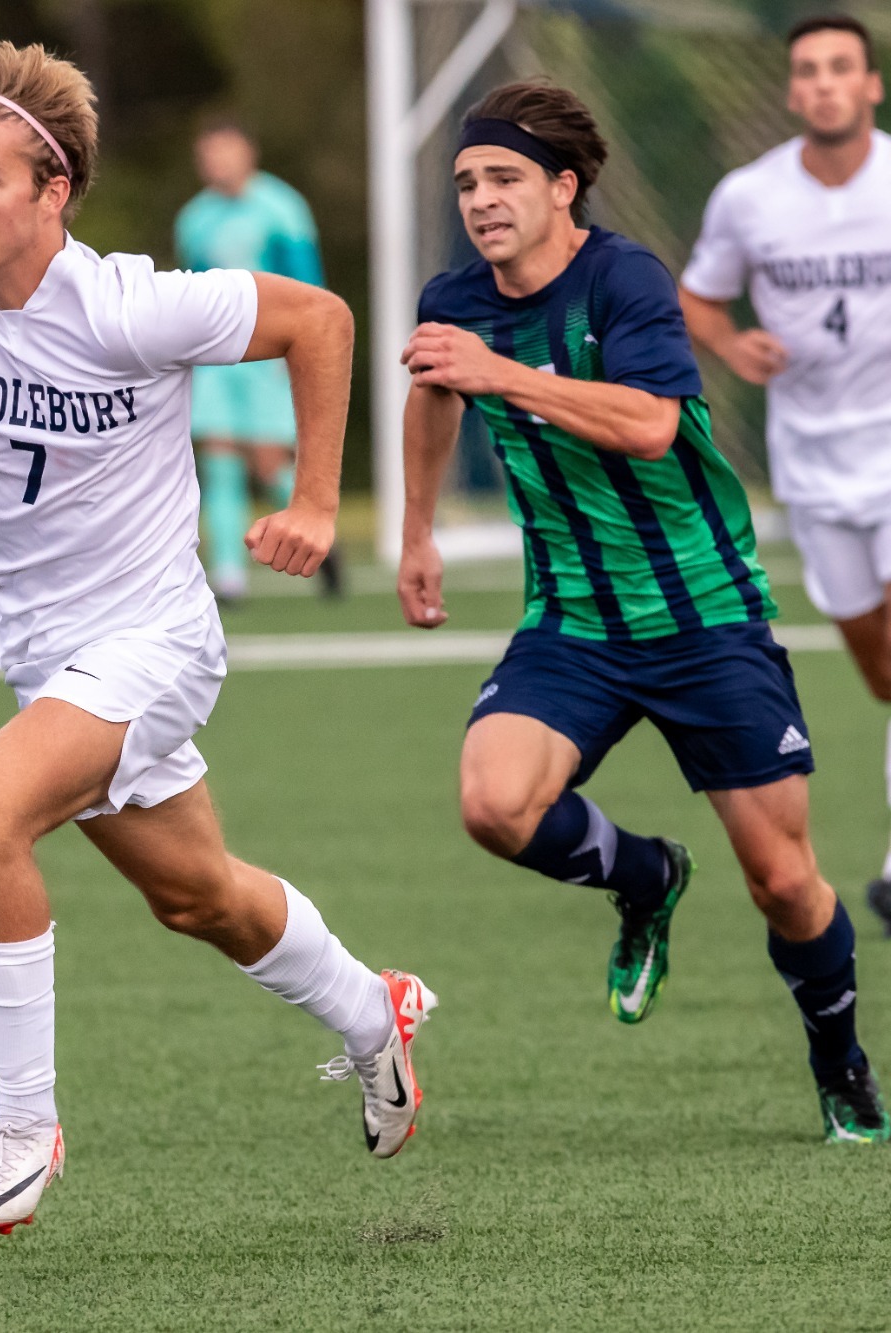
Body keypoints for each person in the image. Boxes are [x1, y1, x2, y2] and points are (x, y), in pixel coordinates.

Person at [0, 41, 437, 1237]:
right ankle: (375, 1013)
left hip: (154, 640)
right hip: (41, 660)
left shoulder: (129, 303)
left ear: (52, 191)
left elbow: (319, 320)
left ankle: (26, 1124)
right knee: (198, 898)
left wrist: (316, 503)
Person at [398, 79, 884, 1142]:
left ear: (562, 187)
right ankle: (646, 875)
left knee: (782, 882)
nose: (479, 200)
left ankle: (837, 1060)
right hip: (572, 620)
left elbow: (651, 425)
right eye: (466, 183)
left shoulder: (623, 279)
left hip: (704, 618)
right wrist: (417, 530)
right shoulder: (452, 300)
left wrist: (503, 373)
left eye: (503, 179)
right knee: (492, 806)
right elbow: (432, 388)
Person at [678, 16, 891, 932]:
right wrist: (731, 340)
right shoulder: (750, 197)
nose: (826, 83)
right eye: (808, 71)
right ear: (793, 91)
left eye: (842, 67)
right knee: (881, 674)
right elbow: (698, 295)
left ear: (871, 85)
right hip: (814, 466)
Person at [175, 117, 342, 602]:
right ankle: (228, 574)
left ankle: (319, 541)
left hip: (269, 354)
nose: (217, 162)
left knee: (270, 462)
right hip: (215, 357)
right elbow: (189, 290)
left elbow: (309, 287)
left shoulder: (282, 208)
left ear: (248, 153)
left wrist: (301, 354)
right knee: (219, 457)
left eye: (225, 151)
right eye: (208, 154)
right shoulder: (195, 217)